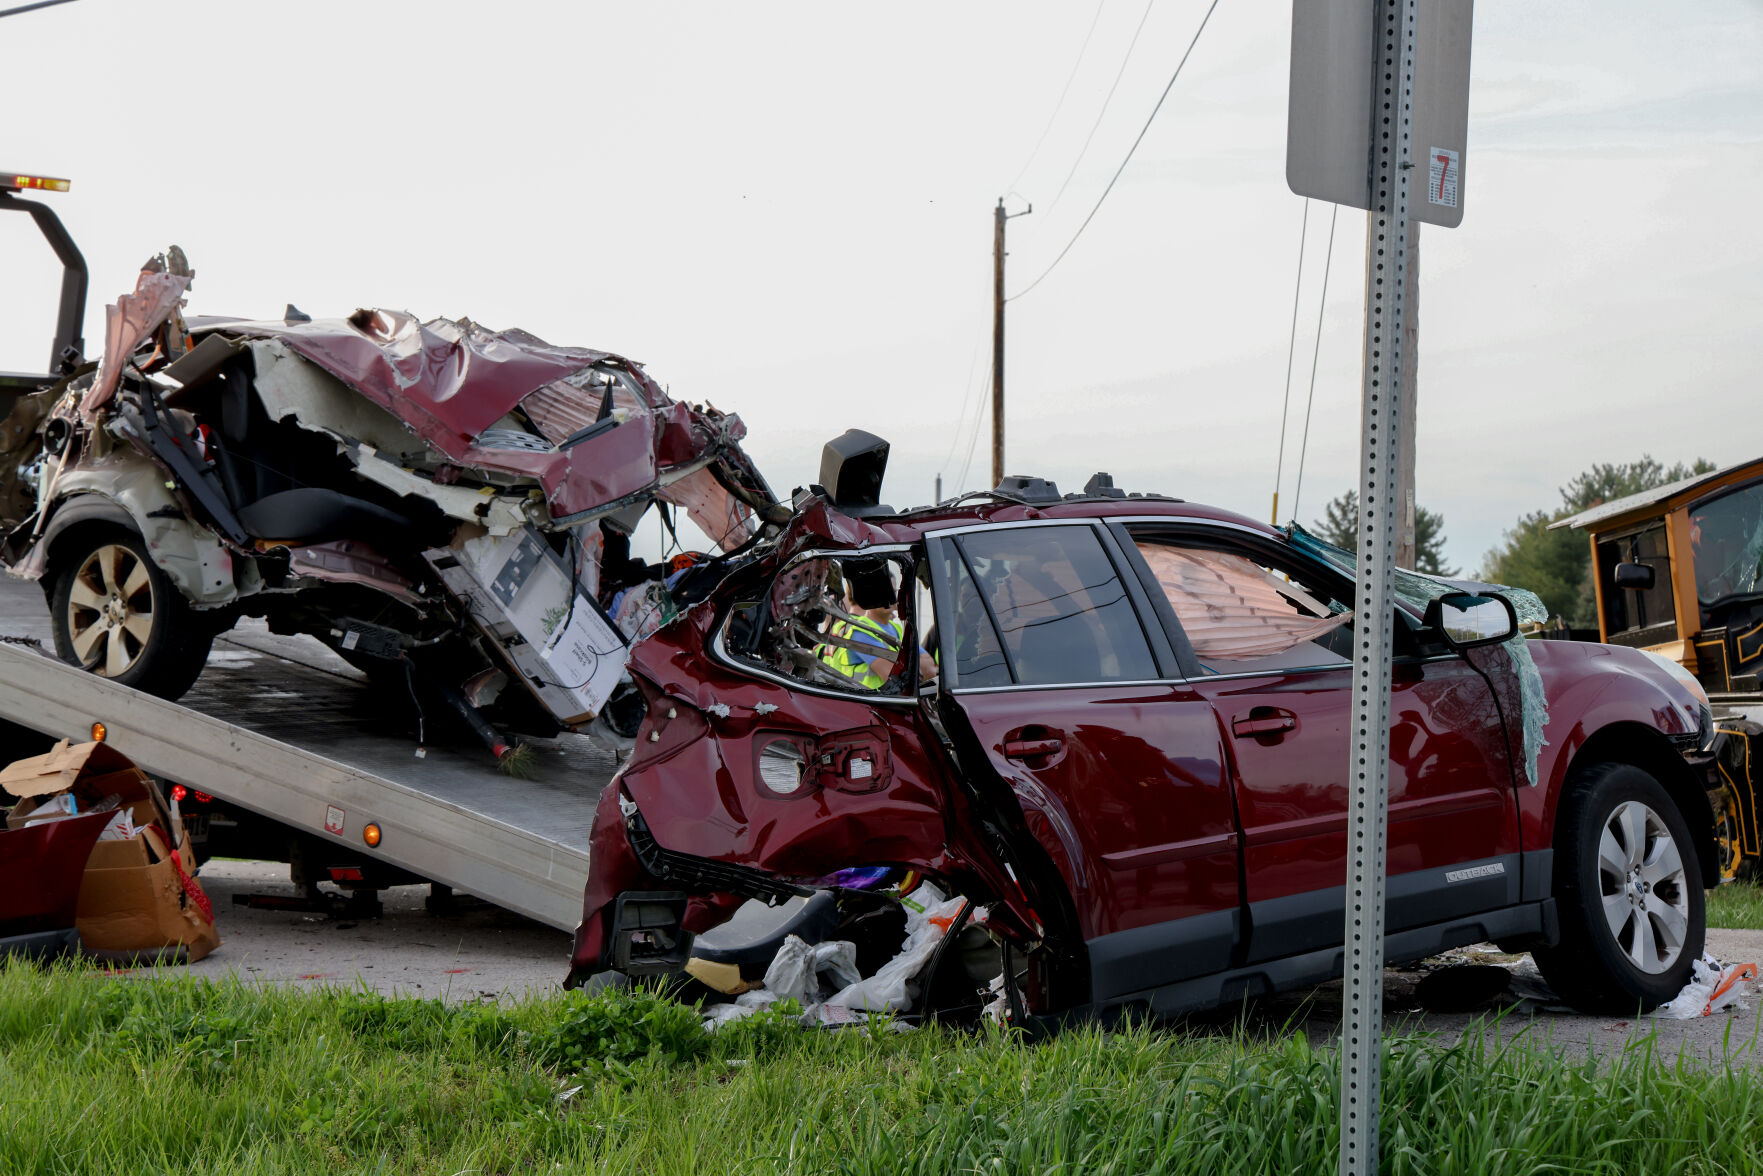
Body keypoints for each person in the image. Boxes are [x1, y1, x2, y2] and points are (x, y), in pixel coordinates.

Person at [816, 559, 936, 688]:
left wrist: (910, 667)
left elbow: (930, 668)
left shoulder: (898, 629)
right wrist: (917, 665)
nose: (889, 598)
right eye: (883, 592)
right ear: (871, 594)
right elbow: (896, 678)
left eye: (892, 592)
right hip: (868, 705)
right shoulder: (860, 632)